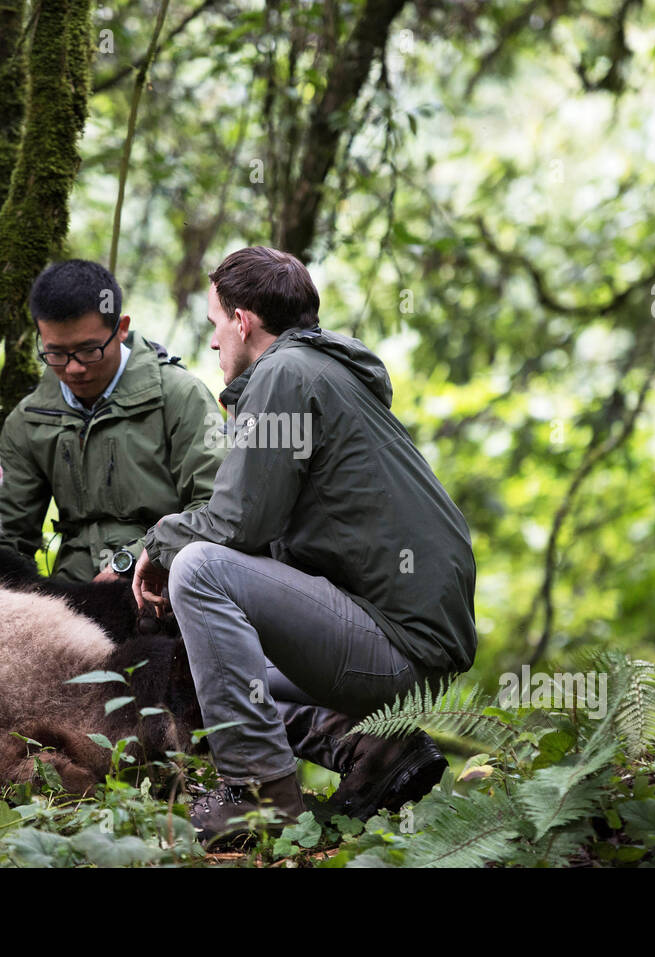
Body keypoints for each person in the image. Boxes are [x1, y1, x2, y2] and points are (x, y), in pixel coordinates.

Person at [133, 246, 479, 846]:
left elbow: (235, 527)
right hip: (400, 649)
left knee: (196, 569)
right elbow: (268, 537)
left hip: (395, 651)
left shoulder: (285, 374)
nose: (213, 343)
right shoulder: (323, 373)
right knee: (207, 665)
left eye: (216, 323)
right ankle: (377, 748)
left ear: (242, 321)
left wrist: (159, 543)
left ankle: (260, 799)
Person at [0, 259, 224, 582]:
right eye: (56, 354)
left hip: (166, 581)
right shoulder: (30, 419)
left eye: (89, 350)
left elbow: (213, 508)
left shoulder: (180, 397)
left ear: (121, 328)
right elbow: (7, 539)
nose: (73, 368)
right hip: (71, 595)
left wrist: (131, 562)